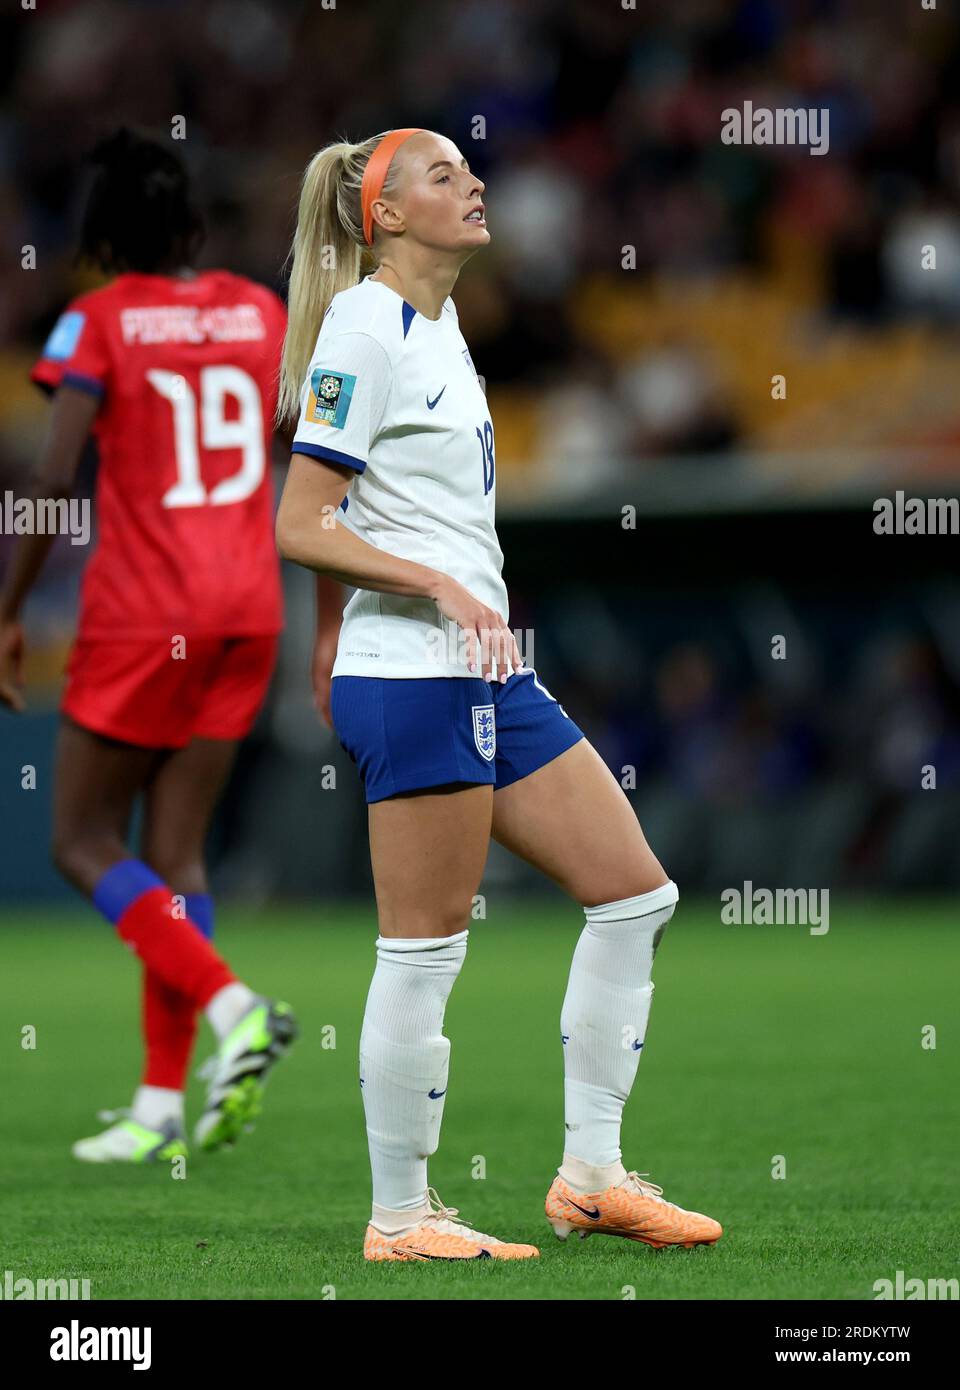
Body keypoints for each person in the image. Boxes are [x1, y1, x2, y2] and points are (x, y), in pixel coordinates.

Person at [276, 127, 723, 1260]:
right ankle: (399, 1216)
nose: (474, 183)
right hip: (418, 676)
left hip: (484, 670)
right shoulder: (365, 328)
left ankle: (592, 1175)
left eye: (469, 171)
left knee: (635, 894)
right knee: (425, 952)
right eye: (442, 175)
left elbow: (376, 507)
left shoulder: (441, 319)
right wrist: (423, 591)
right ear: (382, 216)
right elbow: (301, 519)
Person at [0, 129, 298, 1163]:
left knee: (80, 841)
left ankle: (233, 1010)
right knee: (176, 856)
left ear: (104, 238)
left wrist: (8, 608)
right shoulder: (260, 312)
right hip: (251, 603)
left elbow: (49, 483)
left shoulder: (100, 322)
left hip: (142, 611)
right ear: (195, 226)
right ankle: (162, 1107)